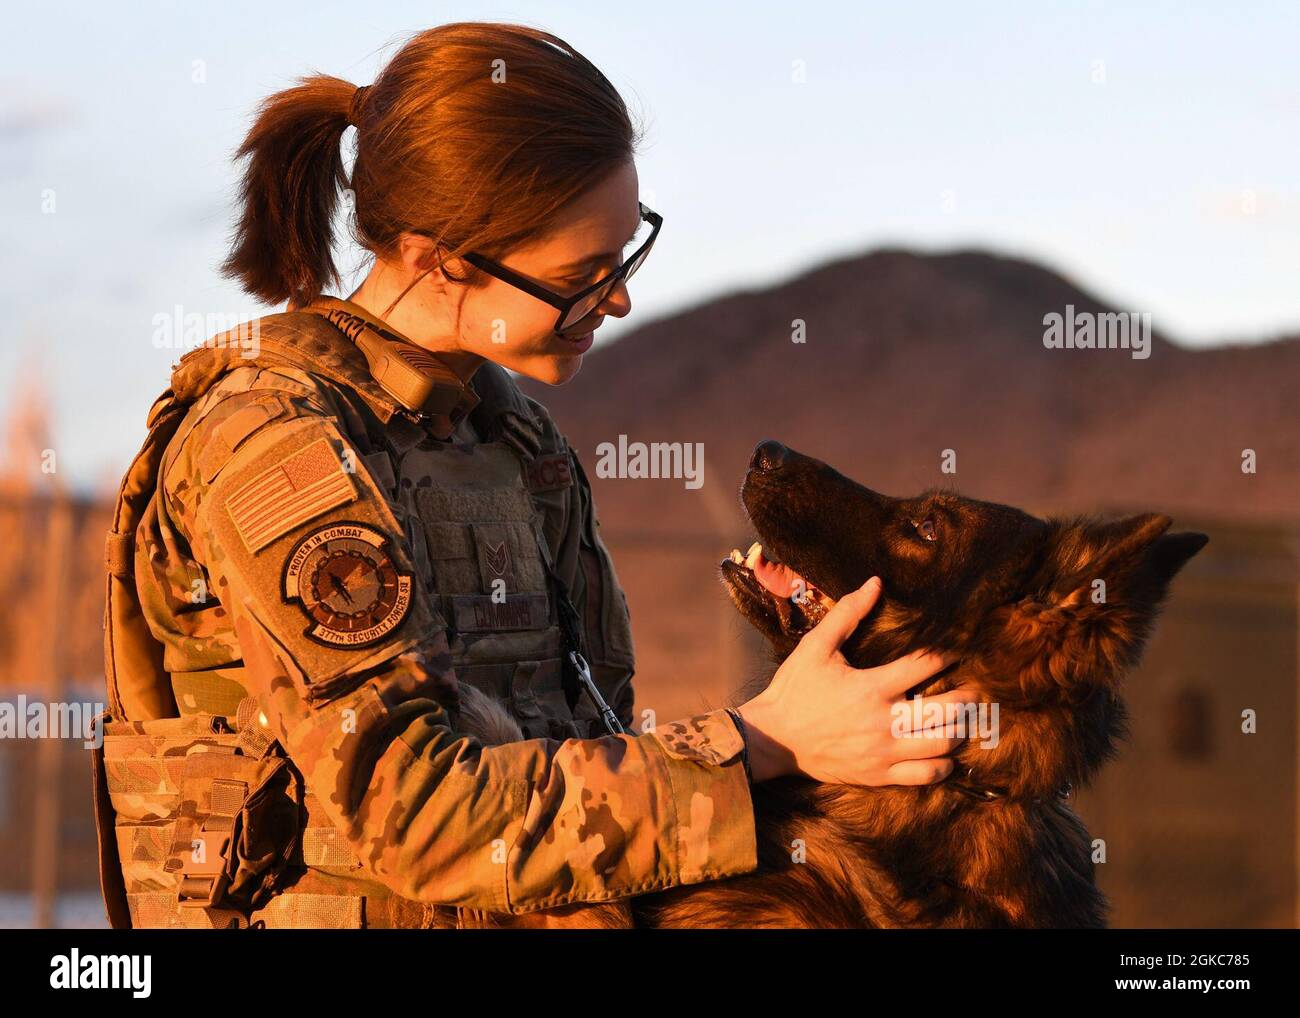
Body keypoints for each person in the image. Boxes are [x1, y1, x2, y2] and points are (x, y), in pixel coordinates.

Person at [97, 21, 971, 930]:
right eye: (582, 273)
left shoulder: (509, 436)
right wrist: (764, 742)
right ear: (443, 259)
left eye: (628, 252)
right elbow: (424, 821)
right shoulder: (273, 444)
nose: (619, 298)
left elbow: (582, 758)